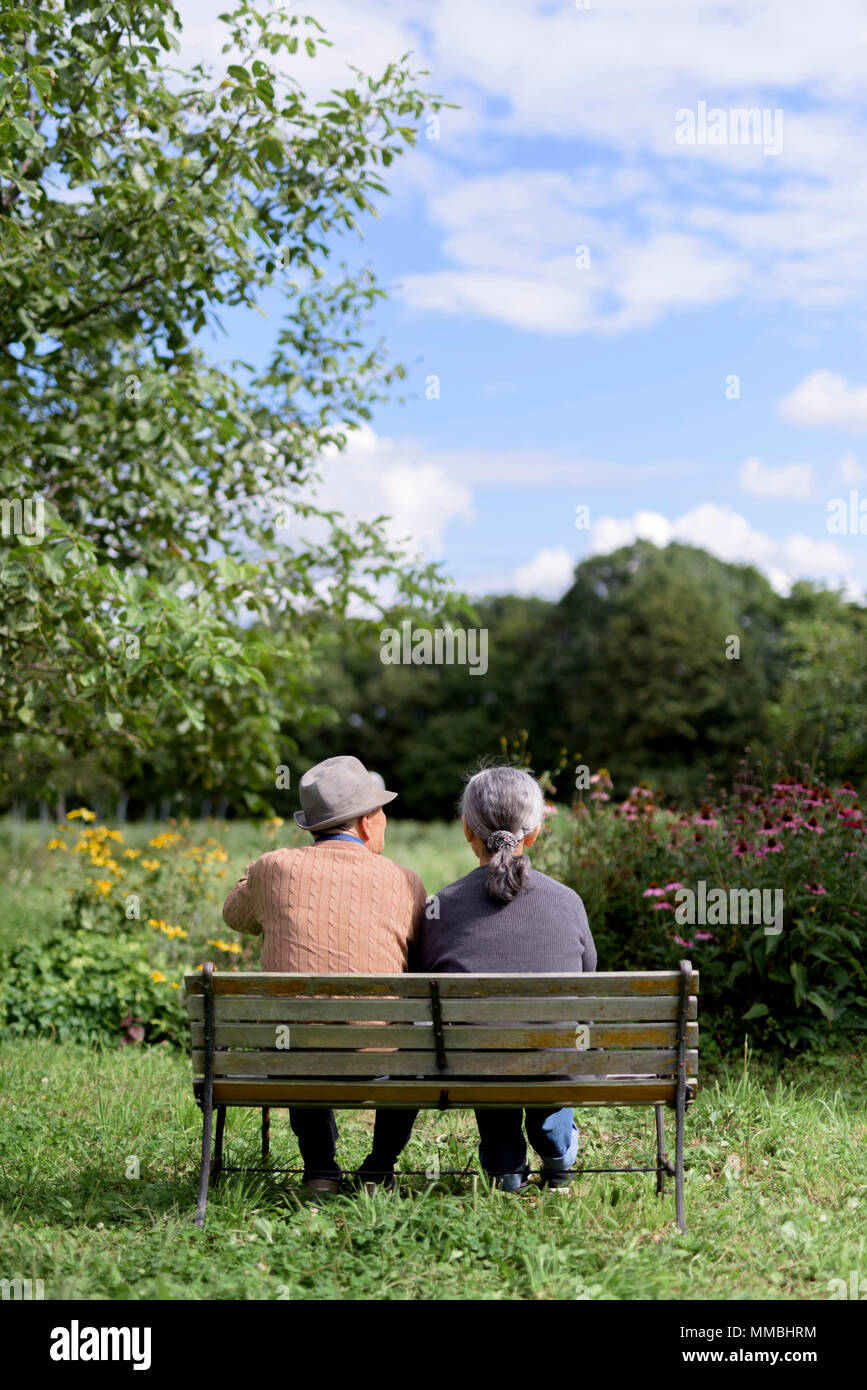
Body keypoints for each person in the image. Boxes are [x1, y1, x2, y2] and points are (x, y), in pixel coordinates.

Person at [222, 755, 426, 1195]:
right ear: (368, 822)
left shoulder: (272, 868)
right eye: (382, 809)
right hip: (382, 1057)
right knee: (411, 1042)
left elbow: (235, 915)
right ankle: (377, 1169)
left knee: (298, 1029)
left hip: (290, 1058)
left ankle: (320, 1169)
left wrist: (260, 877)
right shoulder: (405, 881)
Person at [417, 764, 597, 1192]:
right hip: (556, 1060)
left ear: (467, 830)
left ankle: (505, 1167)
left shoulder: (439, 906)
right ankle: (555, 1149)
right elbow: (587, 979)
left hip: (473, 1064)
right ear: (533, 832)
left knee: (485, 1037)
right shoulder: (567, 901)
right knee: (552, 1037)